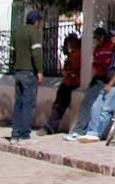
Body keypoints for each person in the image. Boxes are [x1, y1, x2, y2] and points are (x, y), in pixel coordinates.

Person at [79, 29, 115, 142]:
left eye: (114, 36)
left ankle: (97, 133)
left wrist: (110, 84)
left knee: (106, 109)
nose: (112, 38)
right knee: (96, 105)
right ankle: (92, 130)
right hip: (109, 84)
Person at [65, 27, 113, 142]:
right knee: (87, 102)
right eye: (96, 38)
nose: (98, 40)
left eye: (99, 37)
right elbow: (95, 63)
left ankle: (87, 131)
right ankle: (79, 130)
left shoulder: (111, 47)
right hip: (99, 77)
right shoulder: (97, 49)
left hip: (108, 78)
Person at [9, 10, 45, 143]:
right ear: (36, 22)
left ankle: (15, 134)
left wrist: (16, 64)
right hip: (29, 72)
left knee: (18, 103)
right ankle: (24, 135)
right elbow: (36, 54)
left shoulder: (17, 32)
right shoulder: (34, 33)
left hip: (18, 71)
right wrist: (39, 70)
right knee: (28, 104)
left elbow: (12, 53)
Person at [45, 33, 81, 134]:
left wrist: (69, 73)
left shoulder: (78, 54)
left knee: (60, 105)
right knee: (57, 105)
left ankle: (51, 127)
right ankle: (51, 127)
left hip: (72, 83)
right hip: (66, 82)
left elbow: (75, 69)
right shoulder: (72, 54)